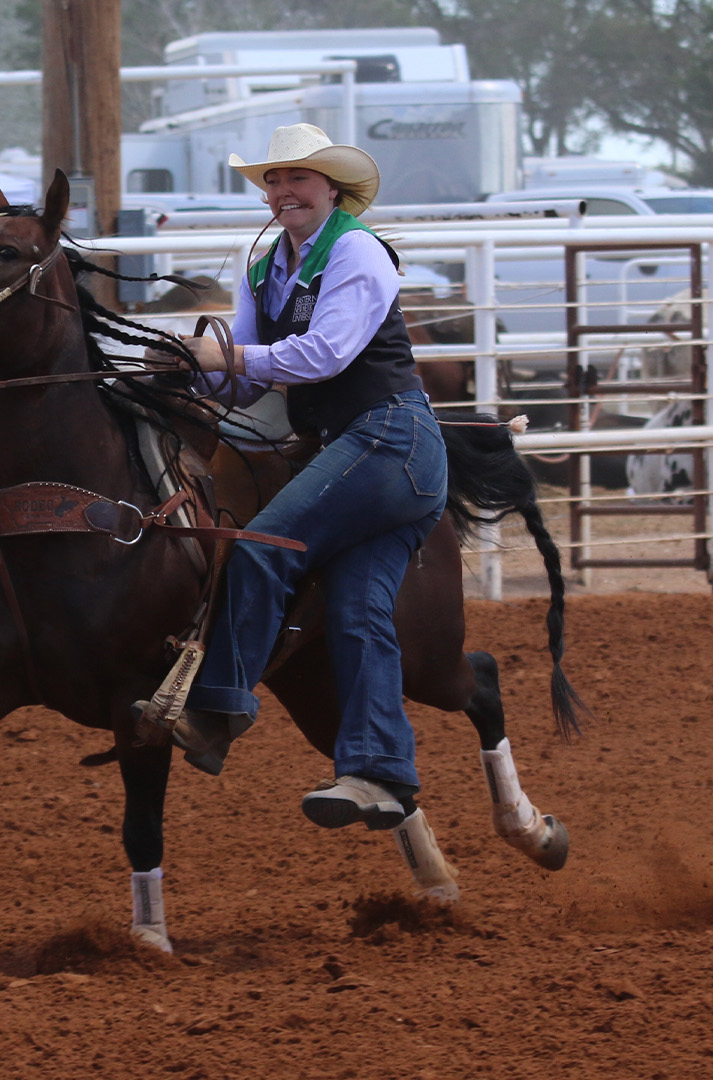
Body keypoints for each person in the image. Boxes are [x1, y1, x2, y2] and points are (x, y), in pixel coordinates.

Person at [167, 123, 449, 832]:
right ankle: (381, 778)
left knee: (266, 546)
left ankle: (218, 709)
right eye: (273, 179)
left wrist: (219, 359)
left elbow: (320, 357)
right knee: (357, 617)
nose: (283, 191)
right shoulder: (264, 267)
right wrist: (186, 373)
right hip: (371, 452)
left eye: (297, 178)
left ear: (331, 187)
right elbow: (242, 374)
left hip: (387, 441)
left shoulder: (355, 250)